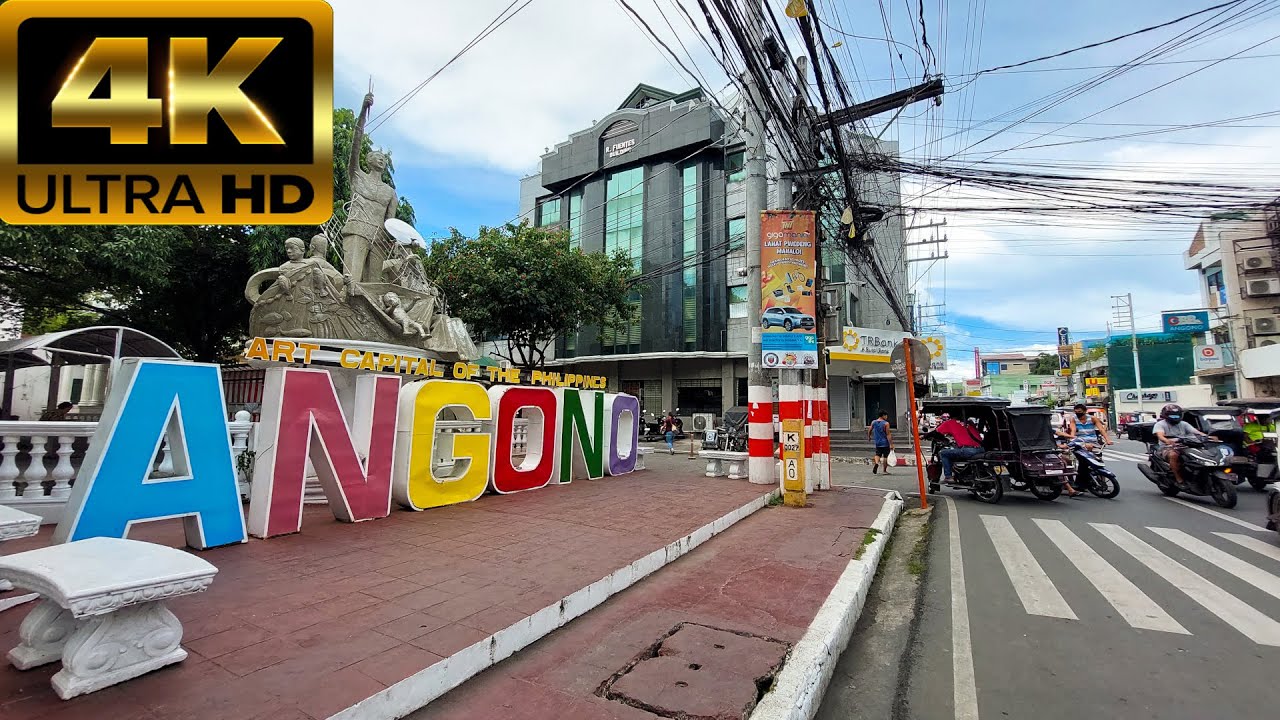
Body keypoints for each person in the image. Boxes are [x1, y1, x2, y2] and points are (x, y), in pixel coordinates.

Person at [1154, 403, 1213, 488]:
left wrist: (1208, 437)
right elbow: (1160, 435)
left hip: (1185, 445)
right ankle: (1179, 480)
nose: (1175, 418)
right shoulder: (1160, 424)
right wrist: (1167, 441)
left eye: (1177, 416)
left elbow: (1196, 432)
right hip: (1167, 447)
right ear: (1166, 415)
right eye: (1173, 416)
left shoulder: (1184, 424)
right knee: (1173, 455)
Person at [935, 413, 985, 483]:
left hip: (969, 450)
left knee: (943, 453)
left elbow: (936, 432)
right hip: (980, 449)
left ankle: (948, 477)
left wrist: (924, 436)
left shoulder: (950, 422)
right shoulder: (970, 422)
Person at [868, 410, 893, 475]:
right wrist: (891, 444)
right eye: (886, 415)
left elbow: (870, 430)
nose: (887, 417)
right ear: (883, 415)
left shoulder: (874, 422)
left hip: (877, 442)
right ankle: (884, 470)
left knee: (877, 454)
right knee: (885, 456)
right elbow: (888, 434)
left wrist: (869, 436)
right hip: (885, 442)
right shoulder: (886, 423)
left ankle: (876, 463)